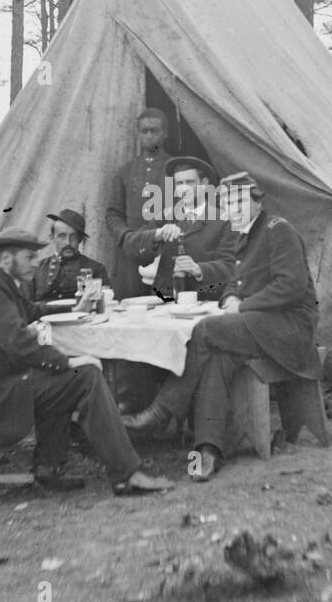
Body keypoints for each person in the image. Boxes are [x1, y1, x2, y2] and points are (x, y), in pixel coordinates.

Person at [121, 172, 321, 481]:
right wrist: (230, 298)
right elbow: (233, 282)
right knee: (215, 358)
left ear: (257, 201)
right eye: (228, 203)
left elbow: (291, 286)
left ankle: (162, 411)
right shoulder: (243, 236)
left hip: (291, 328)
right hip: (260, 326)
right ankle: (209, 449)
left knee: (205, 330)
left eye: (240, 201)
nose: (233, 209)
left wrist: (243, 305)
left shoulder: (277, 229)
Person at [0, 226, 173, 495]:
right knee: (85, 377)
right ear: (6, 258)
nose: (35, 263)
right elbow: (18, 342)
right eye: (29, 257)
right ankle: (127, 473)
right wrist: (66, 363)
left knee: (63, 382)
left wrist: (75, 307)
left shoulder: (0, 284)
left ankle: (48, 470)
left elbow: (33, 310)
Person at [120, 156, 237, 301]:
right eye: (179, 183)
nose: (184, 188)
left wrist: (199, 269)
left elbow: (232, 266)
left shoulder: (224, 220)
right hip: (165, 300)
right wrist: (157, 234)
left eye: (190, 182)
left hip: (204, 300)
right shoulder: (166, 216)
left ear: (205, 184)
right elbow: (131, 247)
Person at [104, 108, 174, 300]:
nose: (149, 135)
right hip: (130, 254)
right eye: (144, 131)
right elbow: (113, 213)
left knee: (165, 303)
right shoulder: (126, 171)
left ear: (165, 133)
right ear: (138, 134)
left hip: (165, 250)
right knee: (131, 305)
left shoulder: (175, 169)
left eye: (154, 130)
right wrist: (126, 236)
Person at [31, 209, 109, 302]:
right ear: (52, 238)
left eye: (74, 237)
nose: (68, 242)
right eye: (62, 236)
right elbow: (24, 306)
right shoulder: (36, 269)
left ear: (80, 239)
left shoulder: (96, 269)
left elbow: (103, 304)